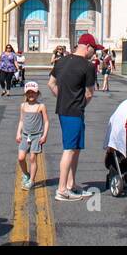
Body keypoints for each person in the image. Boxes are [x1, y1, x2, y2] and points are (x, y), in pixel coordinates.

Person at [48, 33, 99, 201]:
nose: (94, 53)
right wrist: (79, 103)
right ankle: (62, 190)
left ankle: (71, 184)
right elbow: (90, 93)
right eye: (94, 49)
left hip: (63, 110)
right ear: (88, 47)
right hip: (75, 112)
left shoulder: (61, 61)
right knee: (69, 150)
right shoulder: (88, 66)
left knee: (75, 149)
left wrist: (63, 98)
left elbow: (51, 83)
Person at [15, 81, 49, 190]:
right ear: (25, 94)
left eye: (33, 92)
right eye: (28, 92)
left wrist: (44, 135)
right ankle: (26, 174)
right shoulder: (23, 106)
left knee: (33, 158)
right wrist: (18, 133)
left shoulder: (41, 106)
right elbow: (21, 120)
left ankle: (32, 181)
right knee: (21, 158)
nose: (31, 94)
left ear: (37, 93)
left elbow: (46, 122)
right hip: (25, 135)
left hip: (37, 136)